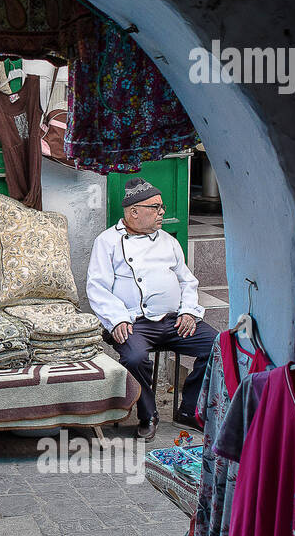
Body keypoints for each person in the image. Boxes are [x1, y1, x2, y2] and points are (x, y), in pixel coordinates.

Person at [86, 178, 217, 441]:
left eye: (161, 207)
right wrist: (117, 319)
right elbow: (97, 287)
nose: (162, 212)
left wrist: (189, 311)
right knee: (134, 358)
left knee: (218, 345)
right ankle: (149, 414)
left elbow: (187, 280)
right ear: (134, 211)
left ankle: (190, 409)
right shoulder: (108, 241)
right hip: (135, 322)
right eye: (156, 207)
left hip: (174, 321)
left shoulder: (167, 240)